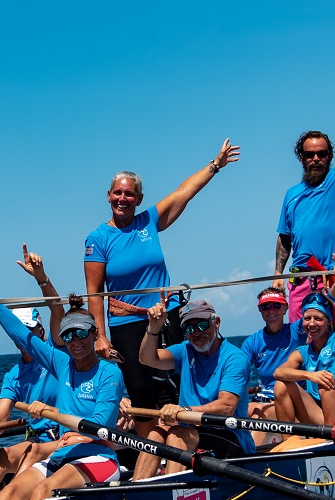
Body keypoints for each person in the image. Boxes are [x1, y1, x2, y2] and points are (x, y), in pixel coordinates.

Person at [84, 140, 241, 413]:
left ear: (139, 199)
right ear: (108, 196)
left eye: (129, 194)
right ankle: (151, 437)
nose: (123, 198)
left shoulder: (149, 222)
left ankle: (187, 434)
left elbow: (184, 192)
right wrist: (100, 336)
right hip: (127, 323)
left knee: (179, 387)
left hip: (167, 315)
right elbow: (94, 293)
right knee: (142, 394)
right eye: (117, 193)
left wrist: (216, 164)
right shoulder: (97, 239)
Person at [0, 262, 126, 500]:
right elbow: (20, 334)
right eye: (68, 335)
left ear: (95, 334)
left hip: (98, 455)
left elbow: (100, 425)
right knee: (11, 491)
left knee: (43, 489)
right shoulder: (62, 364)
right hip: (62, 452)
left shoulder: (109, 373)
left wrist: (54, 415)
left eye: (82, 333)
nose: (75, 341)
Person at [137, 298, 254, 479]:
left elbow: (226, 407)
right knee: (155, 433)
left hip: (228, 434)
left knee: (177, 434)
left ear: (216, 323)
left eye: (202, 325)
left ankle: (172, 490)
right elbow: (147, 359)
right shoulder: (185, 350)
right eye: (189, 328)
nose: (197, 332)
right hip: (191, 429)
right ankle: (136, 489)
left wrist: (184, 411)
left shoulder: (235, 358)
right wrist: (153, 328)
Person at [272, 97, 335, 323]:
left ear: (329, 156)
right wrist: (278, 275)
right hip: (302, 280)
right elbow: (284, 237)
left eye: (321, 154)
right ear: (301, 158)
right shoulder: (291, 194)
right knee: (300, 337)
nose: (316, 159)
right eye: (310, 155)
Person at [271, 249, 335, 441]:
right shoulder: (303, 352)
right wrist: (310, 375)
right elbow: (279, 372)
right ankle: (289, 443)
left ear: (328, 322)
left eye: (318, 319)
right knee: (281, 385)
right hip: (324, 416)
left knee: (326, 383)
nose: (312, 324)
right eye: (307, 318)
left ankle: (330, 444)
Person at [0, 307, 61, 500]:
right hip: (40, 439)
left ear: (41, 331)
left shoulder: (56, 355)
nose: (22, 336)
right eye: (18, 331)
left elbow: (56, 309)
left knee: (33, 452)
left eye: (28, 330)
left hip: (65, 436)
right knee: (3, 455)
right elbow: (0, 421)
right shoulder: (12, 376)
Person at [239, 287, 305, 445]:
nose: (271, 311)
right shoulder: (252, 342)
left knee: (260, 415)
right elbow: (238, 373)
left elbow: (320, 310)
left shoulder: (298, 331)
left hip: (291, 402)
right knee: (229, 413)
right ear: (259, 310)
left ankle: (250, 457)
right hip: (262, 399)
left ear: (286, 308)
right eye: (265, 306)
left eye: (276, 305)